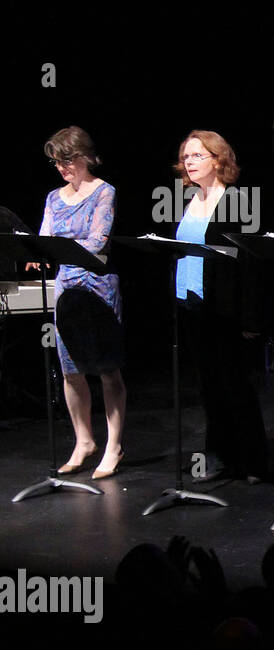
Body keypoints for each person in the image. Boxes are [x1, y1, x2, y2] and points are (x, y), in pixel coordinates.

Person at [171, 129, 268, 483]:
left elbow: (251, 266)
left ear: (218, 159)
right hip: (192, 304)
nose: (189, 162)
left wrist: (250, 318)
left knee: (237, 385)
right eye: (186, 156)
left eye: (197, 155)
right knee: (208, 386)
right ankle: (219, 455)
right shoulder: (189, 200)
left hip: (226, 309)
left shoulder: (237, 201)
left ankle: (253, 460)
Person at [32, 126, 125, 480]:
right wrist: (37, 251)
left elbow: (98, 240)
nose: (62, 168)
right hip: (66, 287)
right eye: (57, 162)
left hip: (98, 287)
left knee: (106, 368)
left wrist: (57, 247)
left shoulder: (104, 192)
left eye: (67, 160)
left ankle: (113, 445)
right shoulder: (53, 198)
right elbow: (44, 236)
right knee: (70, 369)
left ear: (86, 156)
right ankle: (84, 441)